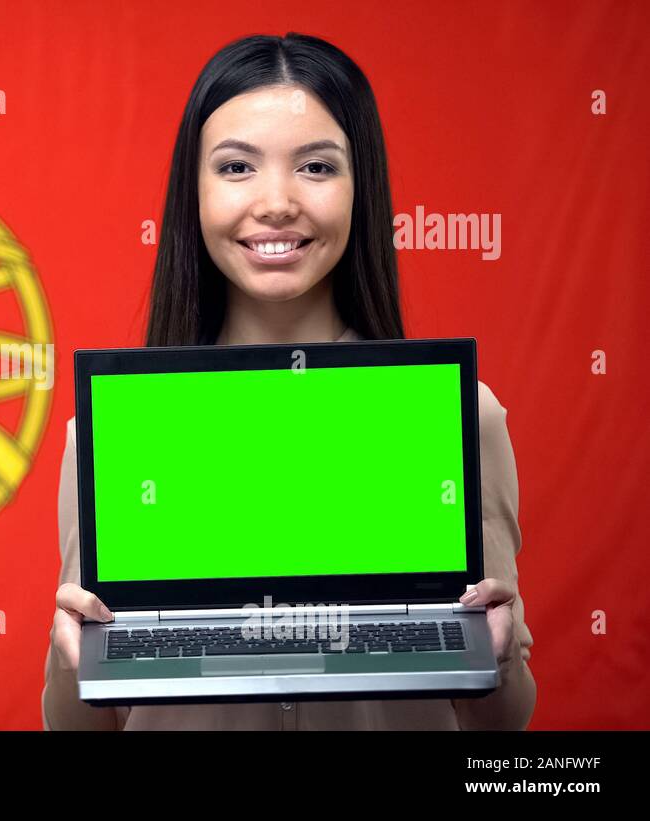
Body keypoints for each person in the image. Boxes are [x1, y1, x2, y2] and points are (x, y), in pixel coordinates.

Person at [41, 32, 536, 730]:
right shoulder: (106, 434)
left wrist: (500, 658)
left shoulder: (463, 415)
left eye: (316, 166)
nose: (275, 202)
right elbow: (78, 725)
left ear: (361, 187)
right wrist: (72, 661)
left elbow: (501, 725)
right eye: (237, 167)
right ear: (195, 191)